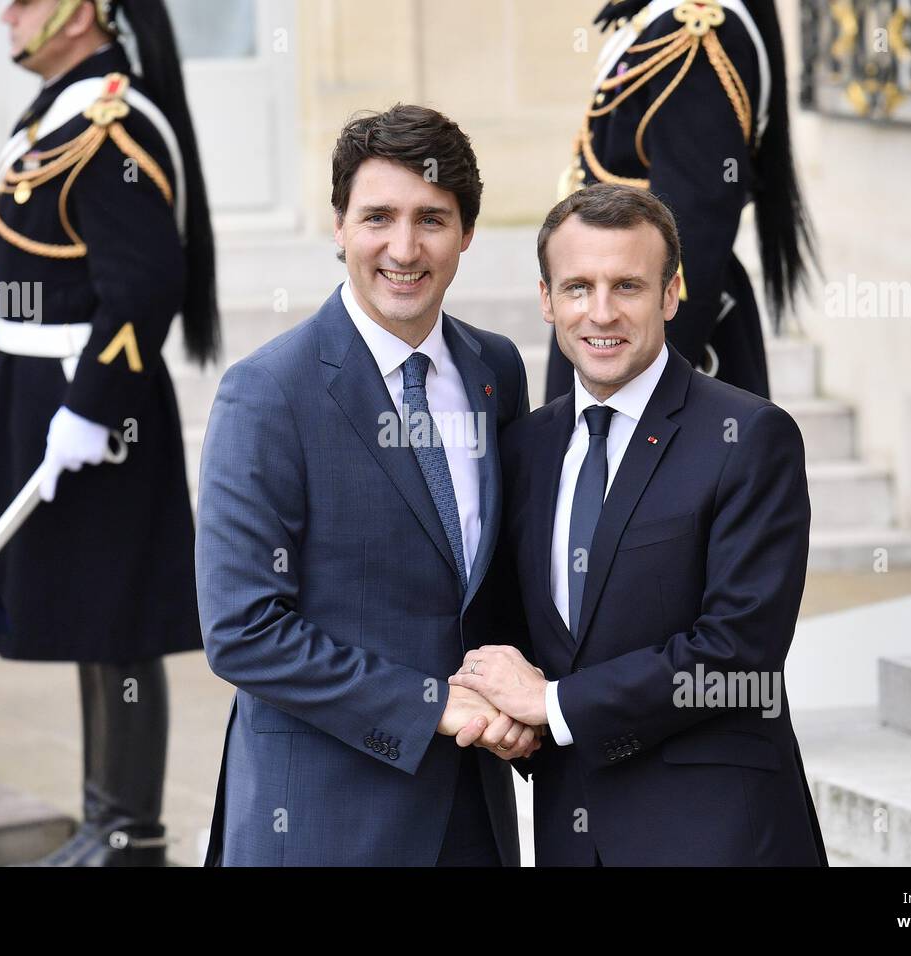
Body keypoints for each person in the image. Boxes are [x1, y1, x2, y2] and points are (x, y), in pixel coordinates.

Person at [196, 104, 538, 867]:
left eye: (432, 219)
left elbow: (496, 582)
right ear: (340, 227)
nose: (404, 248)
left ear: (468, 234)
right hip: (323, 820)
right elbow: (242, 631)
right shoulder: (268, 394)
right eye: (378, 216)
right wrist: (432, 707)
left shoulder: (498, 372)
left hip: (474, 816)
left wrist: (528, 695)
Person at [451, 184, 827, 865]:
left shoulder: (749, 436)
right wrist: (507, 715)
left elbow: (738, 651)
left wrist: (554, 704)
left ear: (671, 293)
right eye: (577, 287)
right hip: (572, 833)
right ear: (546, 301)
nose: (601, 313)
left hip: (718, 836)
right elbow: (517, 632)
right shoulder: (523, 450)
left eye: (626, 285)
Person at [0, 0, 219, 866]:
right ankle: (102, 820)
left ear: (83, 12)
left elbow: (145, 286)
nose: (6, 12)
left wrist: (92, 408)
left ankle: (128, 829)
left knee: (119, 620)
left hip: (95, 410)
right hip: (47, 398)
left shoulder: (109, 118)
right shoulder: (60, 110)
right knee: (89, 616)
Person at [543, 0, 815, 402]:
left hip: (656, 332)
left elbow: (692, 223)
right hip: (615, 314)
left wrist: (642, 397)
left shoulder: (695, 34)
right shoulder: (660, 21)